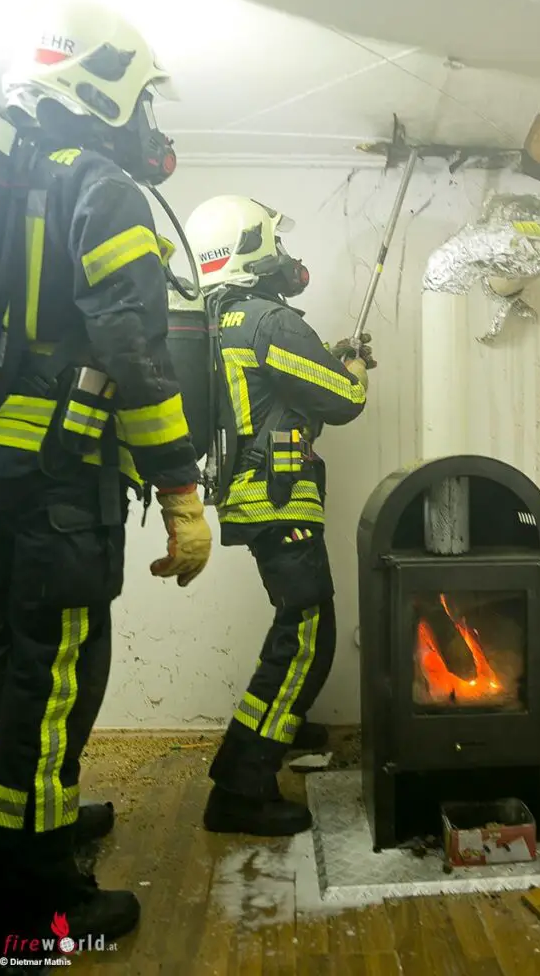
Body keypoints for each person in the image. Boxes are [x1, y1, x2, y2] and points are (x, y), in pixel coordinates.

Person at [0, 1, 212, 952]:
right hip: (59, 477)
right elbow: (132, 341)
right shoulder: (99, 184)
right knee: (54, 673)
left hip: (6, 466)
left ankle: (32, 819)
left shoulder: (15, 175)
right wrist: (179, 487)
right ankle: (34, 905)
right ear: (106, 85)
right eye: (143, 101)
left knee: (10, 661)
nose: (148, 124)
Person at [184, 195, 375, 837]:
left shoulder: (218, 319)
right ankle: (242, 783)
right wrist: (352, 367)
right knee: (307, 637)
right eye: (275, 241)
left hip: (251, 496)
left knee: (297, 631)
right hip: (279, 497)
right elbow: (343, 398)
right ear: (252, 247)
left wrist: (328, 355)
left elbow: (277, 388)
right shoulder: (266, 319)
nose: (286, 256)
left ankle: (278, 727)